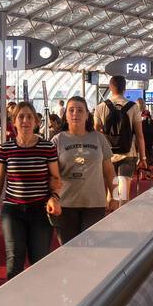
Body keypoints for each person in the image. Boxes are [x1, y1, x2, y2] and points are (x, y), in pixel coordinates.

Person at [0, 102, 61, 280]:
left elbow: (56, 178)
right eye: (21, 117)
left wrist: (54, 197)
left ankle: (37, 301)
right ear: (14, 122)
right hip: (12, 211)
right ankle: (13, 303)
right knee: (14, 260)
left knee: (39, 260)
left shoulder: (47, 147)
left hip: (40, 211)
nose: (25, 120)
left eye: (29, 117)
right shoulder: (6, 149)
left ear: (36, 121)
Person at [51, 97, 116, 243]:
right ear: (65, 115)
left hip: (95, 204)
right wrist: (51, 198)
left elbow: (110, 171)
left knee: (91, 250)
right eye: (71, 110)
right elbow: (51, 175)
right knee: (69, 251)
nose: (75, 113)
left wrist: (116, 196)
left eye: (80, 110)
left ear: (87, 115)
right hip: (65, 205)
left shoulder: (99, 139)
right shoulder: (57, 140)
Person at [93, 76, 147, 204]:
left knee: (111, 192)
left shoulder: (100, 107)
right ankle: (121, 217)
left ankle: (109, 217)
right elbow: (140, 135)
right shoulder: (134, 107)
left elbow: (96, 134)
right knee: (122, 192)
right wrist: (143, 158)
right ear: (125, 88)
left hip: (107, 156)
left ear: (110, 88)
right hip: (128, 153)